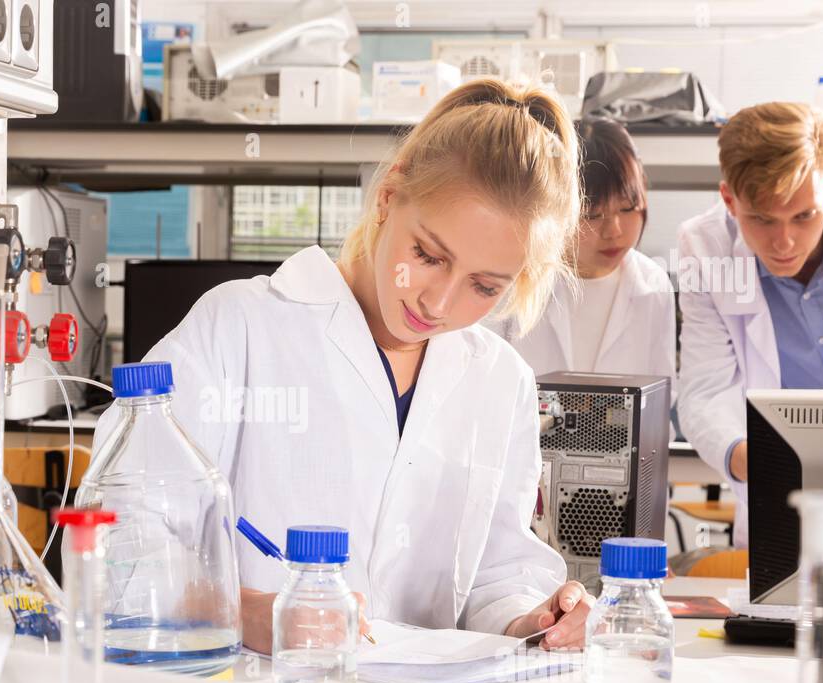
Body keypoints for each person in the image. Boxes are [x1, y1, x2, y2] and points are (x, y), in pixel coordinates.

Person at [93, 79, 593, 653]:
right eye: (428, 256)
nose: (438, 302)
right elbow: (119, 534)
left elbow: (496, 573)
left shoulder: (500, 381)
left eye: (484, 286)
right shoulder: (241, 326)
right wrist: (250, 613)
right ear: (389, 195)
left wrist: (535, 618)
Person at [677, 102, 823, 545]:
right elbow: (705, 389)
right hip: (778, 502)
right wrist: (756, 463)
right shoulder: (706, 247)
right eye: (761, 219)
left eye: (804, 216)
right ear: (729, 200)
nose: (784, 242)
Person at [498, 117, 676, 392]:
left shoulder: (654, 285)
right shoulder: (513, 279)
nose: (614, 231)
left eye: (628, 208)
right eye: (592, 215)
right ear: (556, 206)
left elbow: (661, 397)